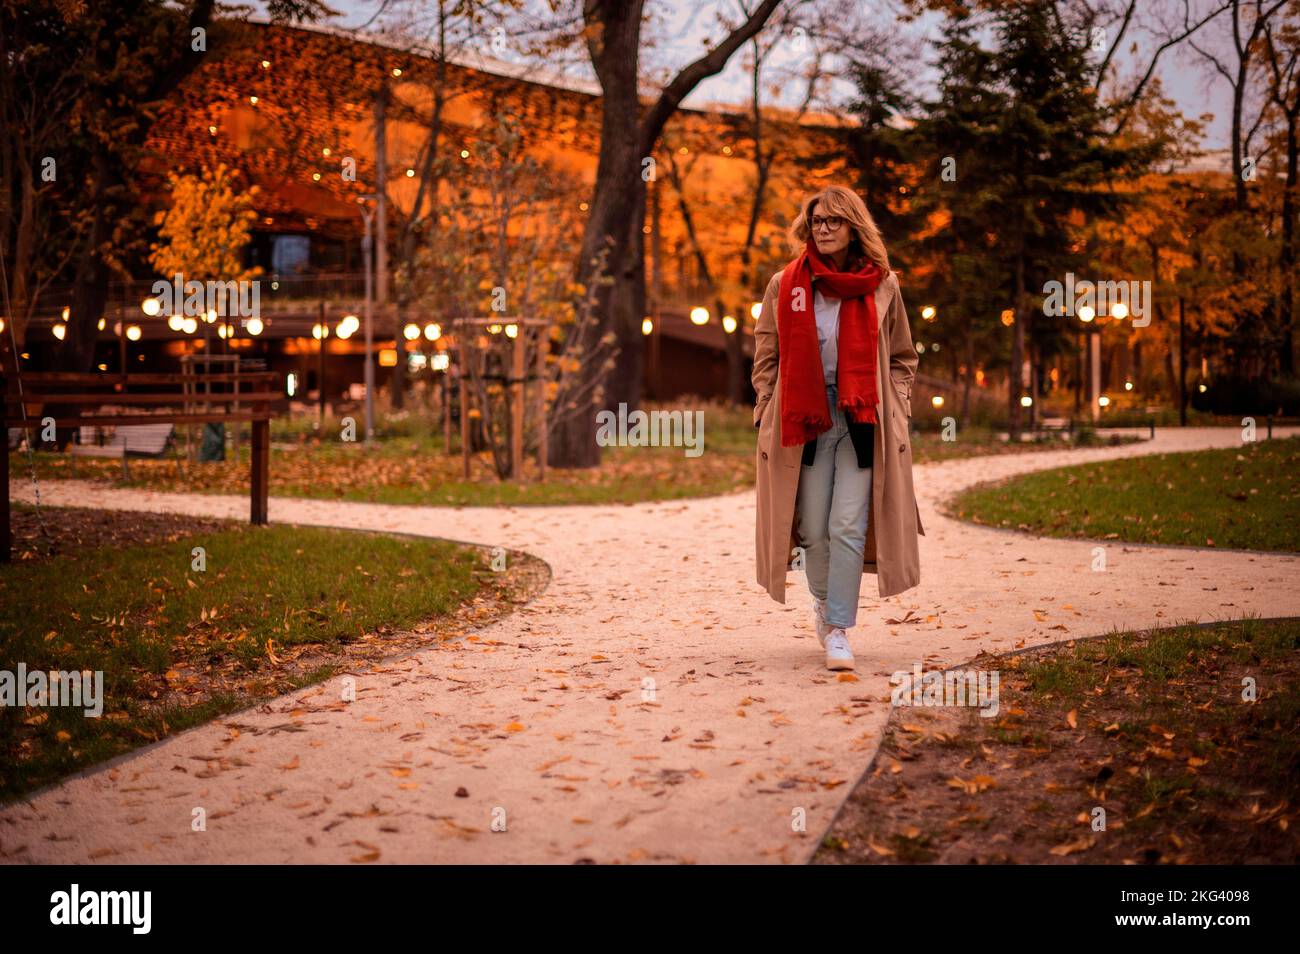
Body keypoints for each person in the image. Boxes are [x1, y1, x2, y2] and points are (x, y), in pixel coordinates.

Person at [752, 185, 923, 671]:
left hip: (862, 416)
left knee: (847, 525)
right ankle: (824, 607)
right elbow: (766, 356)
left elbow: (903, 356)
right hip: (804, 418)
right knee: (813, 530)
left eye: (833, 221)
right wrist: (767, 405)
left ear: (853, 227)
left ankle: (839, 629)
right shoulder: (785, 284)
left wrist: (896, 403)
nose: (823, 229)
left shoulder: (883, 284)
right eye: (816, 221)